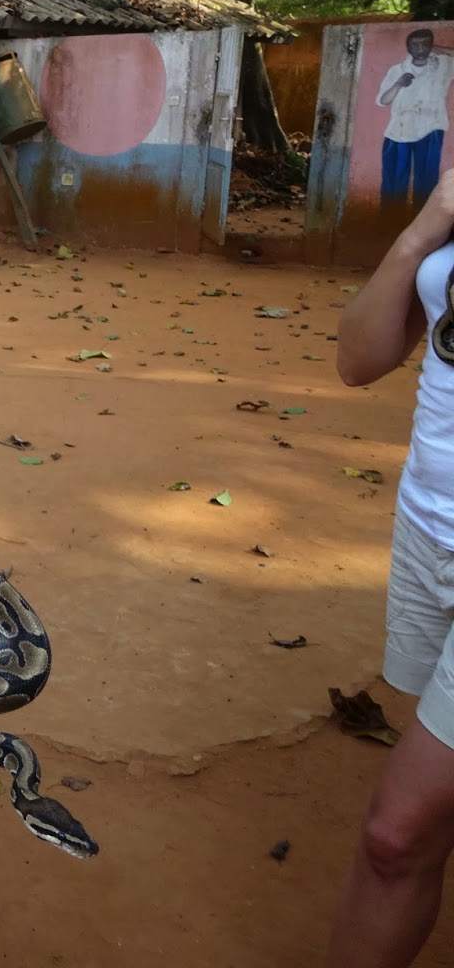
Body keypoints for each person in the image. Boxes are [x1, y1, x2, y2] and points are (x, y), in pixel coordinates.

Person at [328, 162, 454, 966]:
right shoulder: (449, 214)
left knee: (396, 832)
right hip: (430, 530)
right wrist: (421, 231)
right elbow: (360, 359)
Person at [377, 28, 454, 209]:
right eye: (415, 45)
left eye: (425, 44)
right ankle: (391, 219)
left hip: (430, 128)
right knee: (394, 178)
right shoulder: (397, 70)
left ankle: (422, 219)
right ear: (408, 48)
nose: (420, 48)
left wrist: (439, 49)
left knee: (426, 178)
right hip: (398, 131)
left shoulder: (444, 66)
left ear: (431, 46)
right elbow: (383, 100)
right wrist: (398, 84)